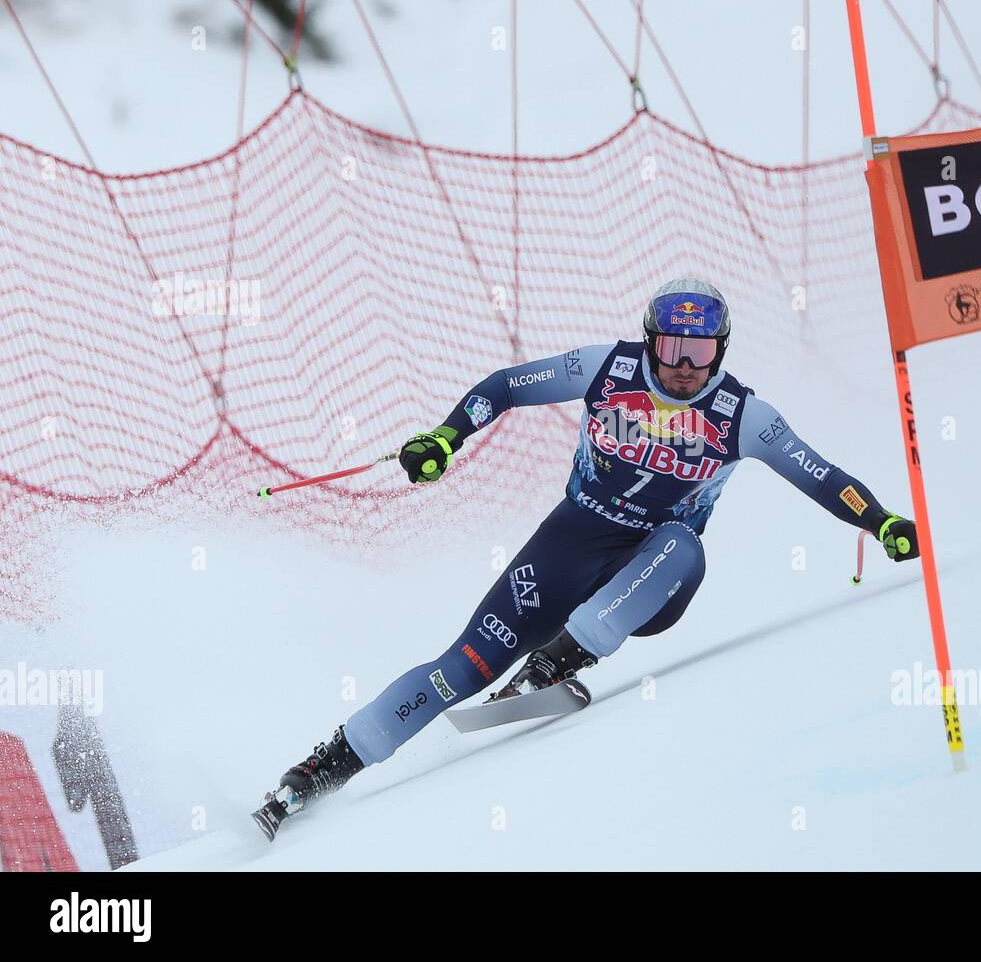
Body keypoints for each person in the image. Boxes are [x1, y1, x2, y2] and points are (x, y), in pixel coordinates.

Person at [256, 278, 918, 836]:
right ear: (650, 340)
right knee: (460, 667)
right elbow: (507, 384)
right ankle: (318, 771)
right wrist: (446, 437)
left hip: (652, 574)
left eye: (699, 350)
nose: (684, 363)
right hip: (569, 543)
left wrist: (882, 518)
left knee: (682, 542)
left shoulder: (742, 414)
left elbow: (819, 473)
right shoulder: (606, 368)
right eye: (671, 346)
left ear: (721, 349)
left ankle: (561, 658)